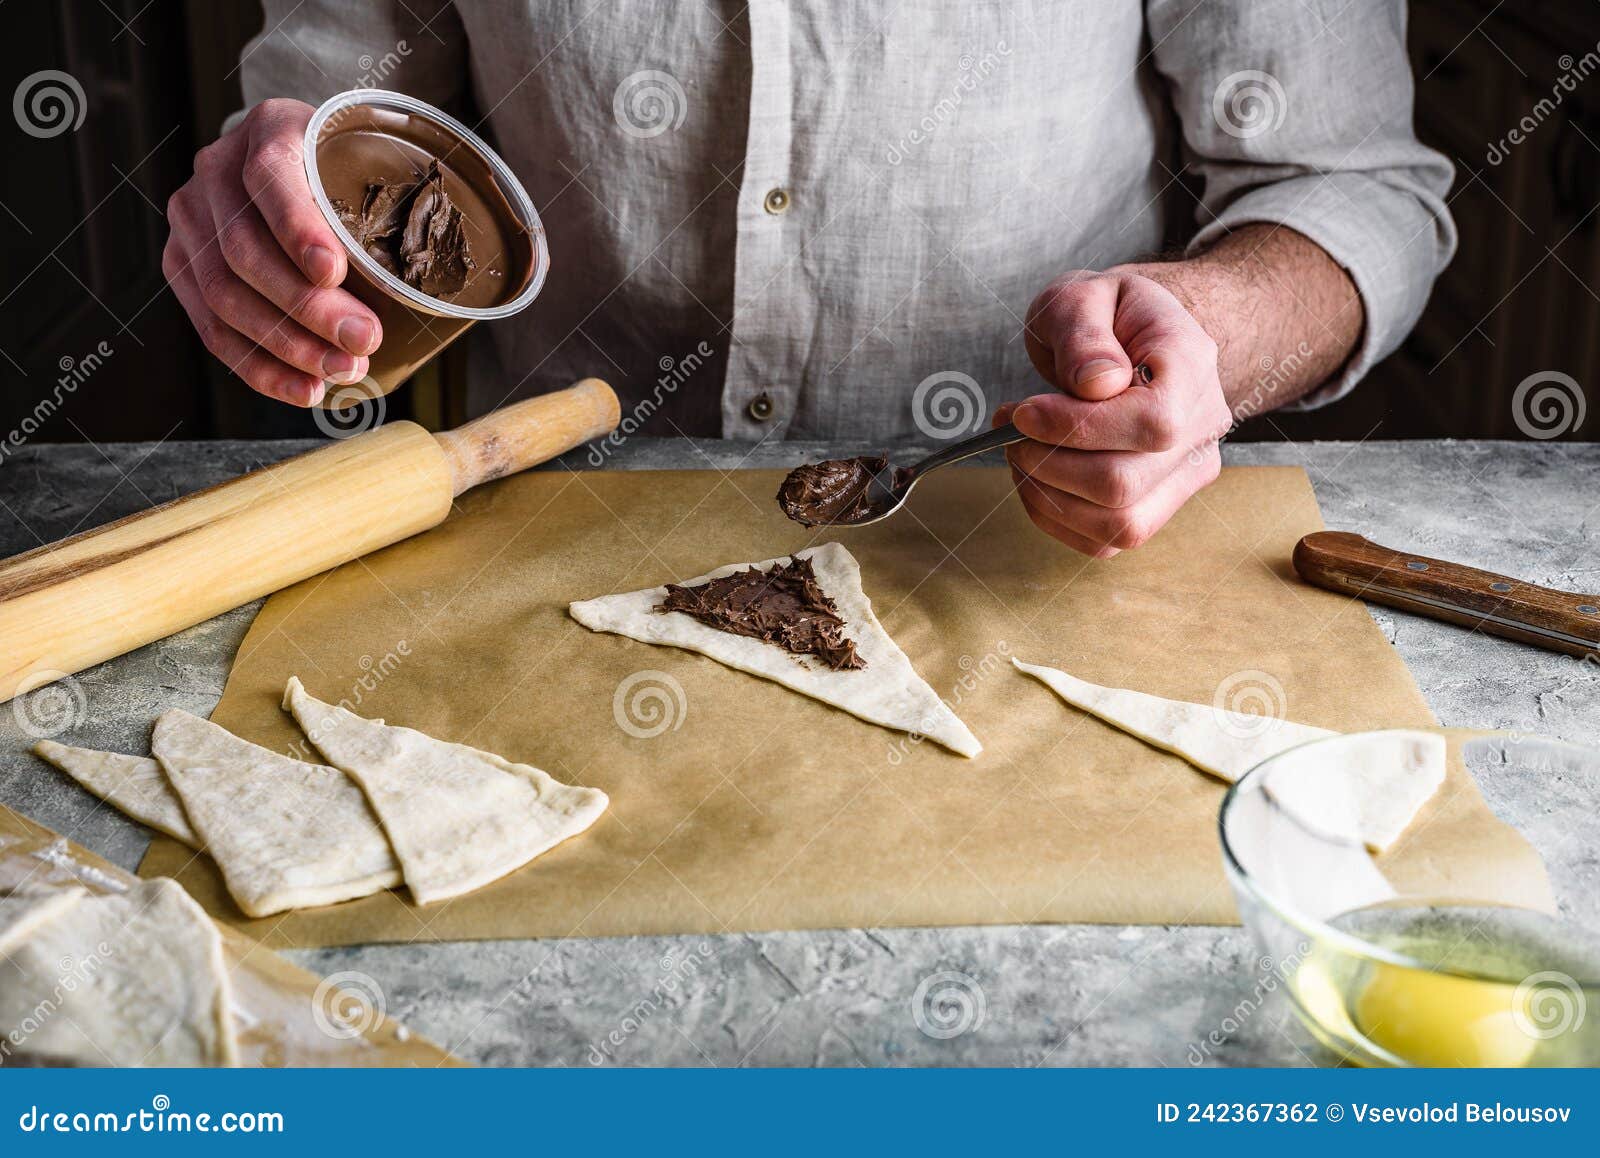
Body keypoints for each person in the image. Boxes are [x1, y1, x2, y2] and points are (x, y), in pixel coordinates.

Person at [162, 1, 1454, 556]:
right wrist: (271, 212)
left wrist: (1206, 339)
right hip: (547, 548)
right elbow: (335, 112)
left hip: (1025, 551)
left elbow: (1352, 190)